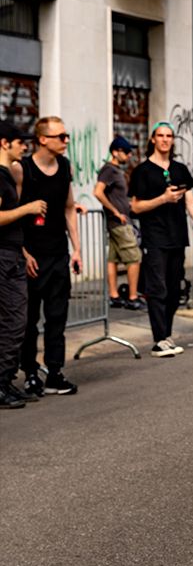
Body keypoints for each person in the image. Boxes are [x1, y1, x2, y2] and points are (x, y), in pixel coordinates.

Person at [129, 122, 193, 358]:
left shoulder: (180, 169)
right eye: (160, 135)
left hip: (177, 237)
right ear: (153, 139)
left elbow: (191, 202)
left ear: (172, 140)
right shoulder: (143, 171)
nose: (165, 139)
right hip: (155, 238)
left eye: (169, 136)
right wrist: (162, 199)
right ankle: (159, 339)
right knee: (158, 289)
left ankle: (166, 334)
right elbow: (135, 206)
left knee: (174, 291)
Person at [19, 115, 82, 397]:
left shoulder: (65, 166)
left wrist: (77, 248)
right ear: (43, 139)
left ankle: (55, 373)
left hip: (58, 253)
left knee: (57, 318)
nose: (66, 141)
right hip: (32, 256)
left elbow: (69, 207)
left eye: (67, 136)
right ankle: (30, 373)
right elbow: (13, 214)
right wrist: (23, 252)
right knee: (29, 320)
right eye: (61, 136)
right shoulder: (22, 170)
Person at [0, 120, 46, 409]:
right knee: (13, 322)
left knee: (15, 321)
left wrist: (24, 251)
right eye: (20, 142)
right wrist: (27, 208)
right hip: (3, 259)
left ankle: (4, 382)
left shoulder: (6, 174)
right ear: (5, 143)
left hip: (12, 253)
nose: (25, 147)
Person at [94, 136, 145, 312]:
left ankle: (114, 296)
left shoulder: (116, 171)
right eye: (126, 152)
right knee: (134, 257)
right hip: (119, 222)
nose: (130, 155)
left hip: (120, 221)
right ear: (115, 152)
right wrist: (115, 212)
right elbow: (98, 192)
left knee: (113, 259)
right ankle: (132, 297)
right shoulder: (109, 170)